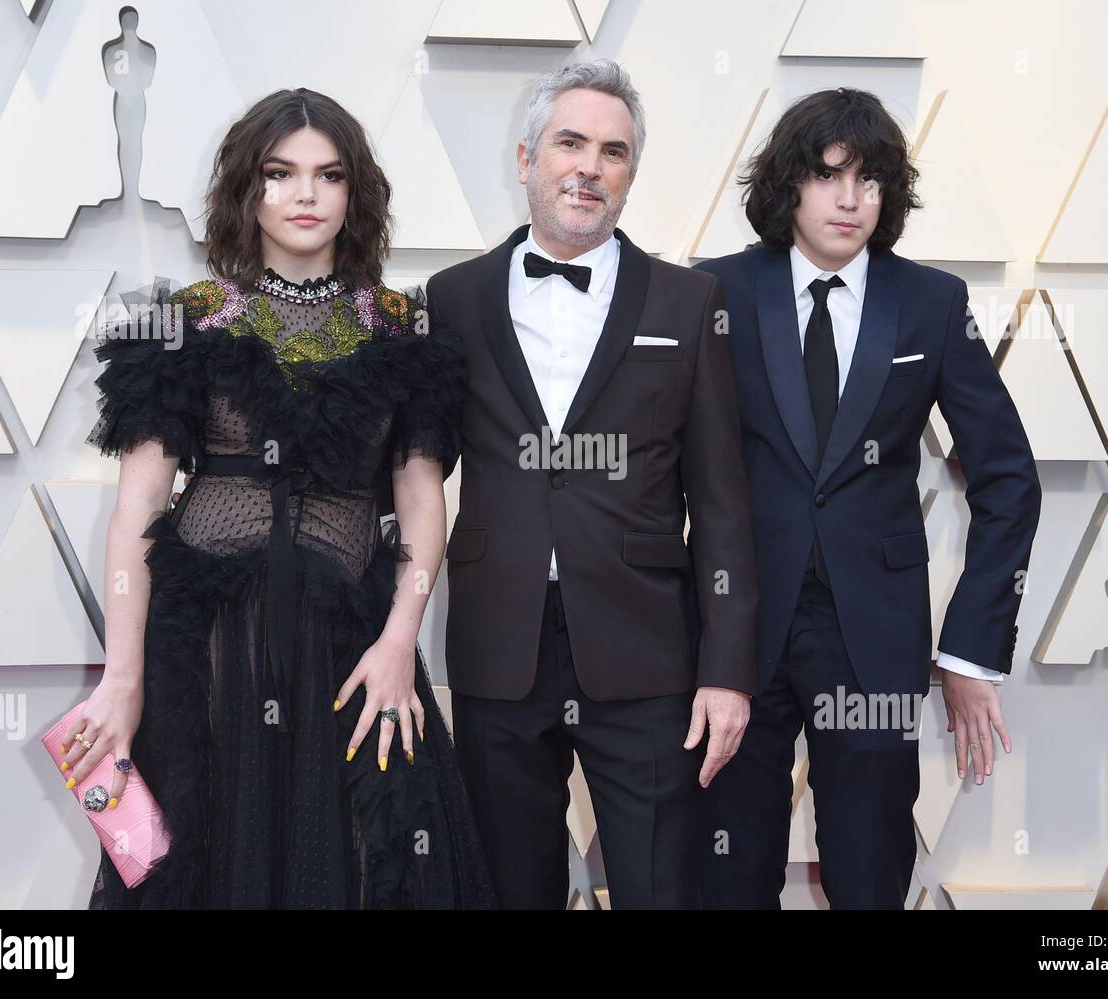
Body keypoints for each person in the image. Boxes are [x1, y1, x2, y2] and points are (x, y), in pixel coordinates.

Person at [66, 87, 494, 908]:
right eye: (280, 172)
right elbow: (137, 512)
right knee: (196, 853)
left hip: (356, 647)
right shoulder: (188, 320)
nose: (305, 194)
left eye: (328, 175)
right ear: (246, 187)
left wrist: (403, 637)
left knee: (369, 859)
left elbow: (422, 501)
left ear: (354, 192)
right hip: (208, 649)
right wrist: (124, 676)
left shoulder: (403, 327)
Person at [694, 88, 1042, 909]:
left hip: (874, 632)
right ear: (789, 185)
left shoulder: (930, 302)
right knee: (729, 872)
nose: (850, 200)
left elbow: (1008, 477)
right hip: (736, 627)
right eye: (827, 176)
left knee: (868, 872)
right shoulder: (712, 292)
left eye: (872, 181)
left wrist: (967, 652)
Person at [425, 59, 758, 909]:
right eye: (570, 143)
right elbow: (416, 474)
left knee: (660, 889)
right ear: (528, 156)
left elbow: (721, 503)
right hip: (500, 646)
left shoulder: (691, 302)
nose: (589, 167)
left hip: (648, 652)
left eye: (613, 152)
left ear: (630, 175)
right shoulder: (452, 298)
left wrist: (727, 669)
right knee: (508, 888)